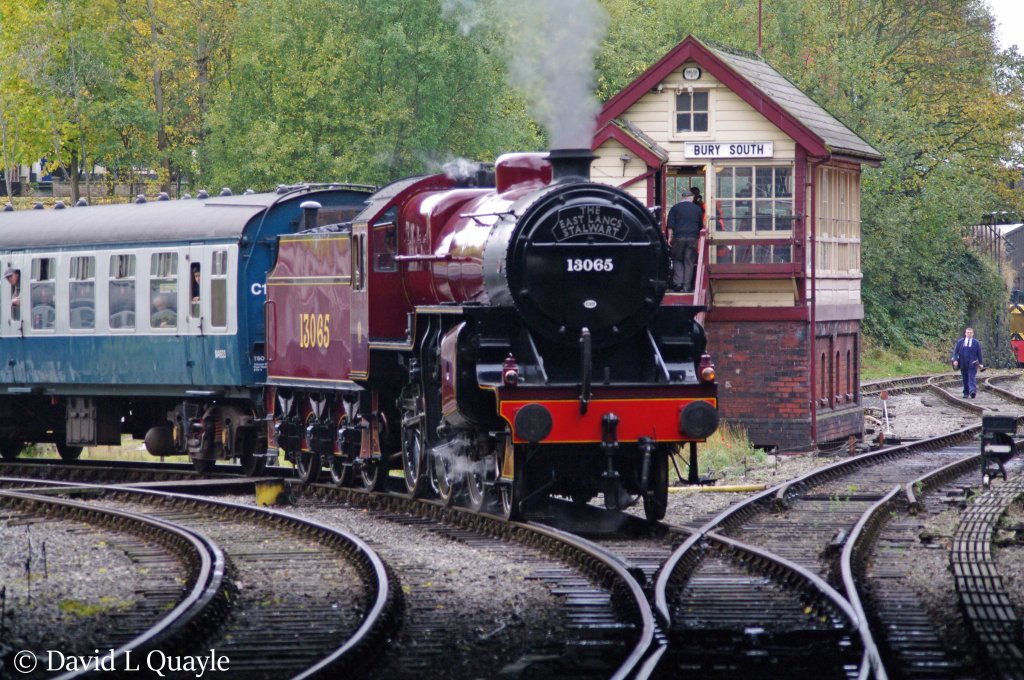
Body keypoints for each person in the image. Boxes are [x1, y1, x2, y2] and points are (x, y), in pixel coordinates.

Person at [666, 194, 703, 292]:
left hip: (678, 238)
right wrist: (699, 239)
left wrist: (669, 237)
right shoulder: (697, 209)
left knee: (677, 259)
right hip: (693, 238)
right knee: (689, 261)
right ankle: (686, 287)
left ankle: (678, 283)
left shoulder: (675, 208)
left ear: (682, 197)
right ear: (691, 198)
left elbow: (670, 225)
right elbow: (700, 226)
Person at [951, 327, 983, 398]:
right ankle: (966, 392)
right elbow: (955, 352)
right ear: (965, 333)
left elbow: (979, 354)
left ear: (973, 334)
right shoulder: (960, 342)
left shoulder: (976, 343)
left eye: (970, 333)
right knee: (965, 378)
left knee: (971, 377)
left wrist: (981, 363)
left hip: (973, 363)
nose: (969, 334)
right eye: (968, 332)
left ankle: (972, 391)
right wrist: (955, 360)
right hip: (963, 363)